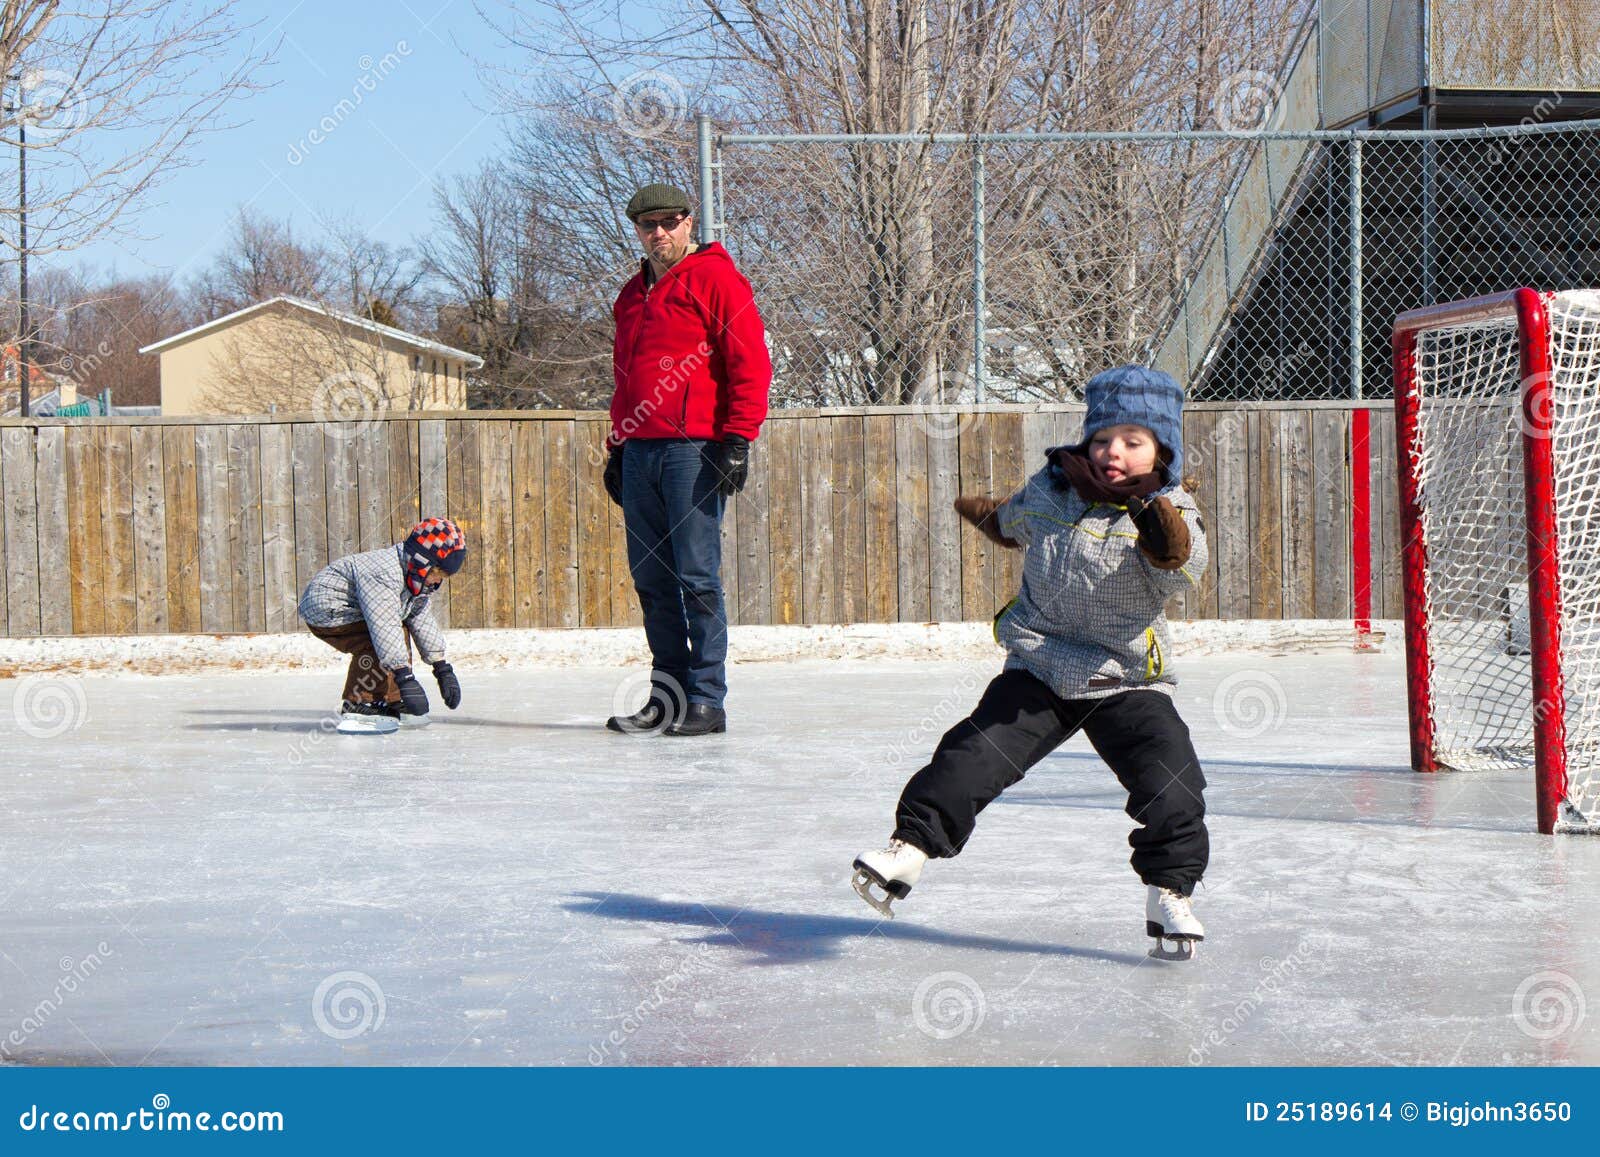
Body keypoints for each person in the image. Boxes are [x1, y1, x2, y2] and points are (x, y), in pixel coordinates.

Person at [850, 366, 1212, 960]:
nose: (1113, 452)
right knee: (972, 753)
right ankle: (908, 849)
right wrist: (989, 514)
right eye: (1102, 439)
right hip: (1042, 663)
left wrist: (1154, 518)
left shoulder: (1171, 506)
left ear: (1161, 450)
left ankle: (1169, 893)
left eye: (1133, 441)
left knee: (1171, 782)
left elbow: (1183, 559)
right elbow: (1013, 520)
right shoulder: (1053, 487)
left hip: (1126, 677)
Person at [603, 182, 772, 737]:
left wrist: (738, 439)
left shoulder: (718, 279)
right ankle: (667, 696)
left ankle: (706, 699)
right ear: (637, 230)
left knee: (698, 577)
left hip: (693, 450)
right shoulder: (631, 295)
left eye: (670, 222)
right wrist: (619, 444)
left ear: (689, 222)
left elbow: (750, 362)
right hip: (641, 451)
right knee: (652, 579)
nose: (660, 233)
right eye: (649, 225)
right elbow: (625, 379)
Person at [298, 517, 467, 735]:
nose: (436, 582)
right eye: (437, 574)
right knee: (376, 640)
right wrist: (406, 679)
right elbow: (383, 624)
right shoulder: (383, 573)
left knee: (398, 631)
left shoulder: (413, 576)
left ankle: (391, 701)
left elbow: (420, 618)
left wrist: (442, 667)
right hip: (327, 607)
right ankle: (360, 705)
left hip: (354, 608)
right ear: (422, 561)